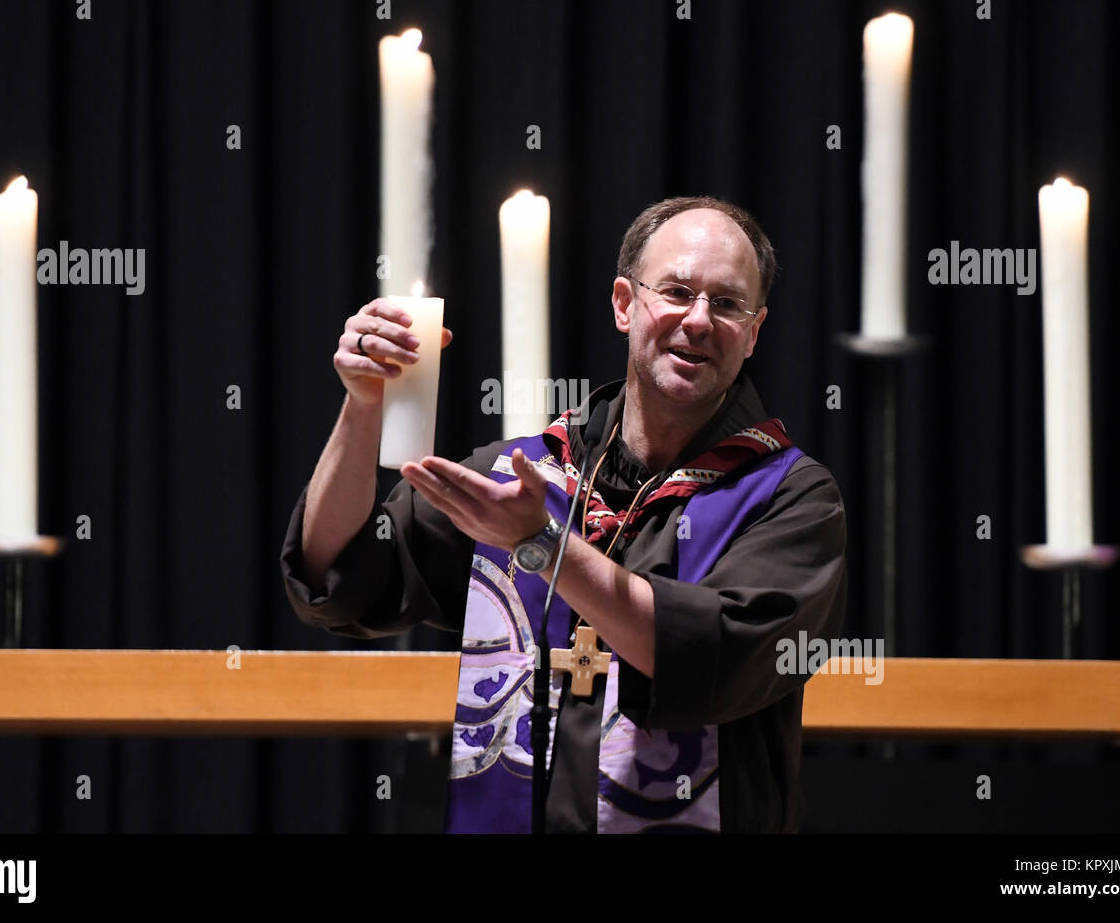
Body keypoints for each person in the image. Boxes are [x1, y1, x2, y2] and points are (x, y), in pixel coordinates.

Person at [280, 195, 847, 833]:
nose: (698, 319)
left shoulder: (789, 499)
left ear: (754, 332)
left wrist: (541, 544)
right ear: (625, 304)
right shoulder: (524, 475)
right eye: (677, 291)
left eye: (726, 303)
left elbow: (708, 660)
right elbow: (338, 574)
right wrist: (364, 405)